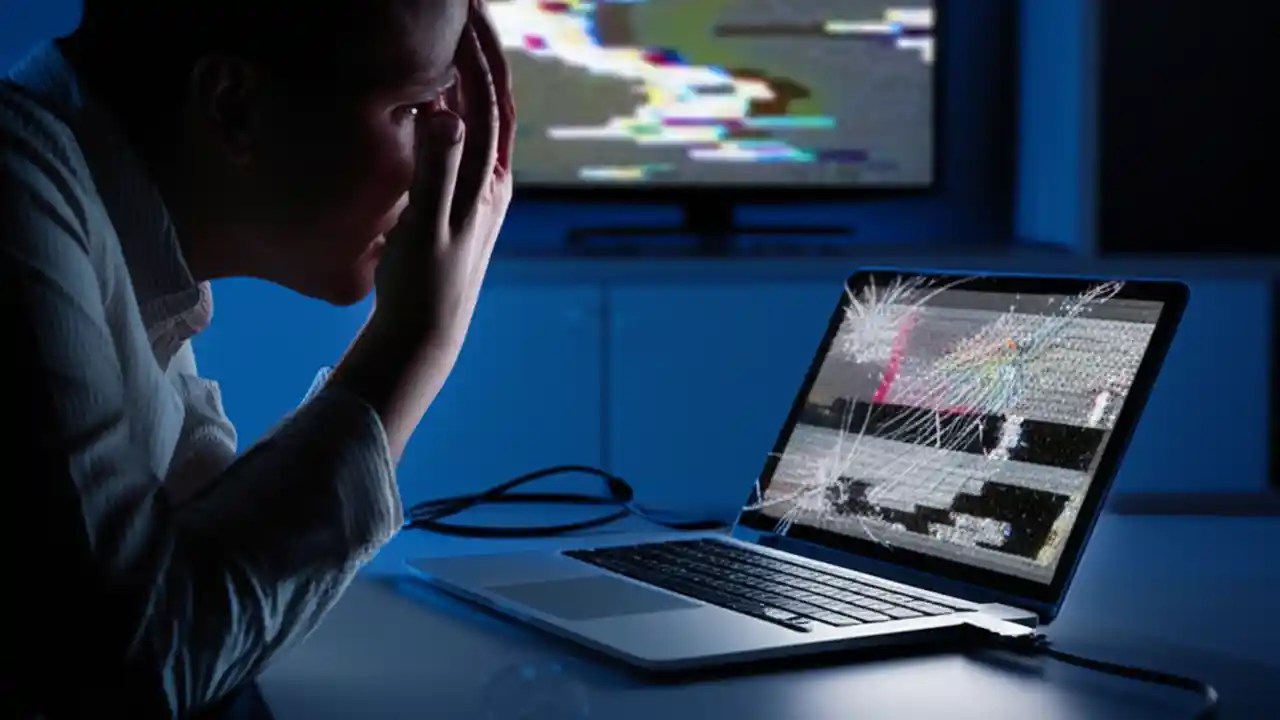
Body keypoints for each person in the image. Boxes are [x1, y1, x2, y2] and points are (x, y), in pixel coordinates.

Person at [0, 0, 514, 716]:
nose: (444, 161)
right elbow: (126, 669)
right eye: (419, 105)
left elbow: (202, 555)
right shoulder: (17, 199)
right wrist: (413, 344)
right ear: (235, 109)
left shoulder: (114, 220)